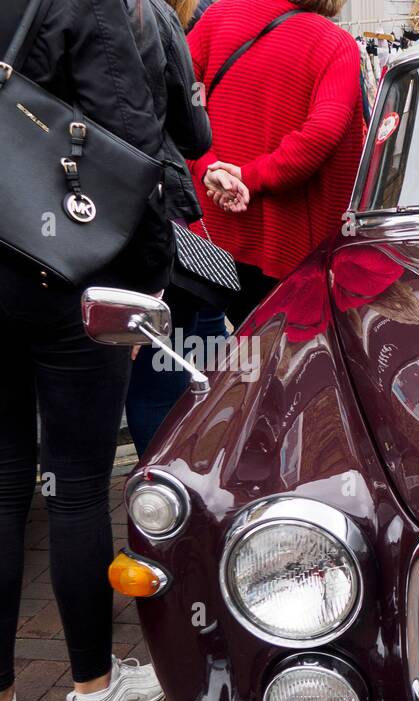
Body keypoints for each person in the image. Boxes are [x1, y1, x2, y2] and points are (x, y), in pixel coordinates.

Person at [0, 0, 170, 701]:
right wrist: (150, 287)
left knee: (4, 482)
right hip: (68, 269)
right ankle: (91, 692)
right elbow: (134, 145)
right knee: (73, 483)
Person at [186, 0, 365, 326]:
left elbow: (178, 100)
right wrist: (249, 177)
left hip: (212, 236)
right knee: (289, 356)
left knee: (226, 349)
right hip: (289, 246)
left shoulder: (215, 19)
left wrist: (207, 166)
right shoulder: (334, 43)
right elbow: (323, 131)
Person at [125, 0, 214, 455]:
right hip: (147, 221)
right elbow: (196, 132)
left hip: (43, 231)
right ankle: (165, 494)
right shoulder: (152, 14)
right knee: (163, 375)